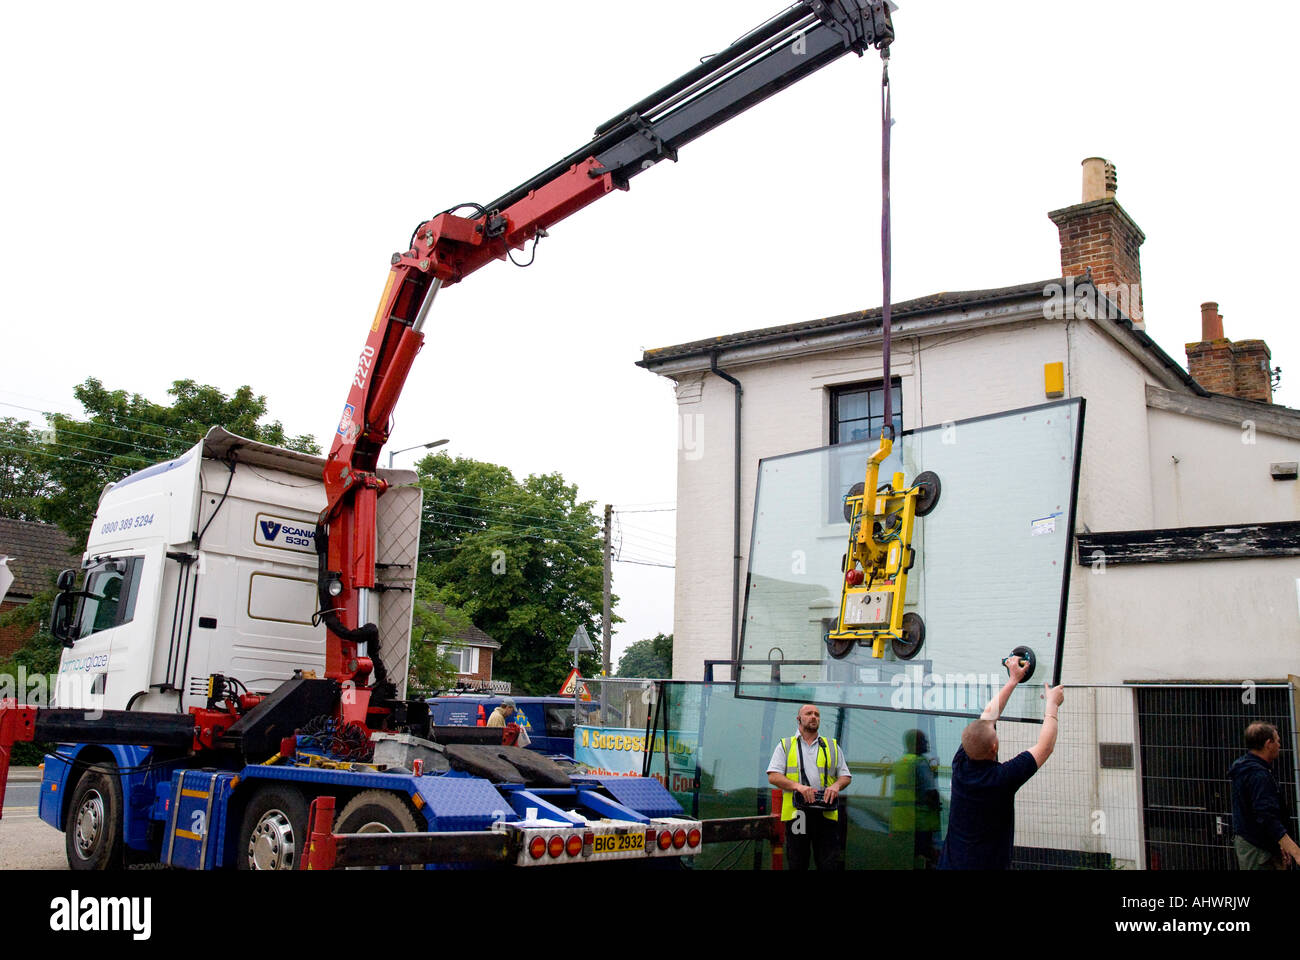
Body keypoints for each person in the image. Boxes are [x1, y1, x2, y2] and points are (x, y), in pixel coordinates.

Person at [937, 656, 1064, 870]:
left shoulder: (960, 764)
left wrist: (1013, 680)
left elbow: (988, 717)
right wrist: (1052, 704)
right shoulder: (1000, 779)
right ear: (994, 748)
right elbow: (1045, 747)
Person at [766, 704, 852, 870]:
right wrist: (798, 787)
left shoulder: (832, 746)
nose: (814, 717)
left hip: (825, 813)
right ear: (799, 719)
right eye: (809, 713)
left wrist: (835, 786)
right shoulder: (786, 745)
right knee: (798, 862)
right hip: (798, 814)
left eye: (817, 714)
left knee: (828, 863)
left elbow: (845, 776)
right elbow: (773, 776)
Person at [1228, 721, 1300, 870]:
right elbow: (1266, 815)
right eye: (1278, 741)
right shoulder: (1258, 775)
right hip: (1258, 849)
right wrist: (1295, 851)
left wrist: (1278, 843)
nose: (1279, 745)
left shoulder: (1244, 768)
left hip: (1255, 843)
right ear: (1268, 743)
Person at [890, 728, 941, 869]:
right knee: (925, 861)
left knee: (904, 861)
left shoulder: (900, 763)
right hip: (920, 824)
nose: (927, 744)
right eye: (923, 741)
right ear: (915, 744)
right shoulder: (920, 763)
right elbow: (931, 794)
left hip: (900, 824)